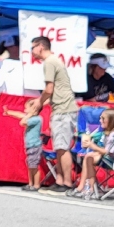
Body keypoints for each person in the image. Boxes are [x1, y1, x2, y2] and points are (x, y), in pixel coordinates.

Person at [34, 35, 78, 189]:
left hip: (64, 110)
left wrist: (38, 103)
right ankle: (60, 179)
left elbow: (49, 89)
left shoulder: (50, 62)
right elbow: (54, 91)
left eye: (33, 47)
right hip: (61, 108)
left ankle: (66, 181)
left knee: (62, 147)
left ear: (40, 46)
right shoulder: (54, 61)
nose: (32, 51)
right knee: (59, 147)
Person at [76, 108, 114, 197]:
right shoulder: (108, 133)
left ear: (111, 120)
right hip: (110, 158)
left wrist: (92, 146)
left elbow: (107, 151)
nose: (100, 121)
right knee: (89, 157)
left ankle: (86, 188)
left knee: (89, 157)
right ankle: (88, 188)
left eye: (103, 119)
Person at [21, 96, 45, 191]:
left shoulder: (36, 119)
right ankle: (30, 183)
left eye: (27, 108)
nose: (25, 110)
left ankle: (36, 184)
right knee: (30, 165)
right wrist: (9, 112)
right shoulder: (32, 118)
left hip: (35, 146)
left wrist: (29, 114)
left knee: (34, 165)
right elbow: (21, 116)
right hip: (30, 146)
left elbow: (22, 122)